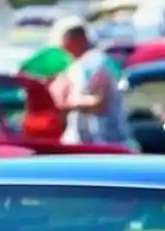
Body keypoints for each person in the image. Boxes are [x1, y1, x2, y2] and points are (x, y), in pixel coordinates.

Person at [50, 19, 133, 149]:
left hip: (103, 145)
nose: (62, 47)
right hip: (89, 145)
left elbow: (99, 104)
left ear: (78, 39)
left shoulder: (93, 63)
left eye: (65, 40)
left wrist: (67, 104)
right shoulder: (81, 65)